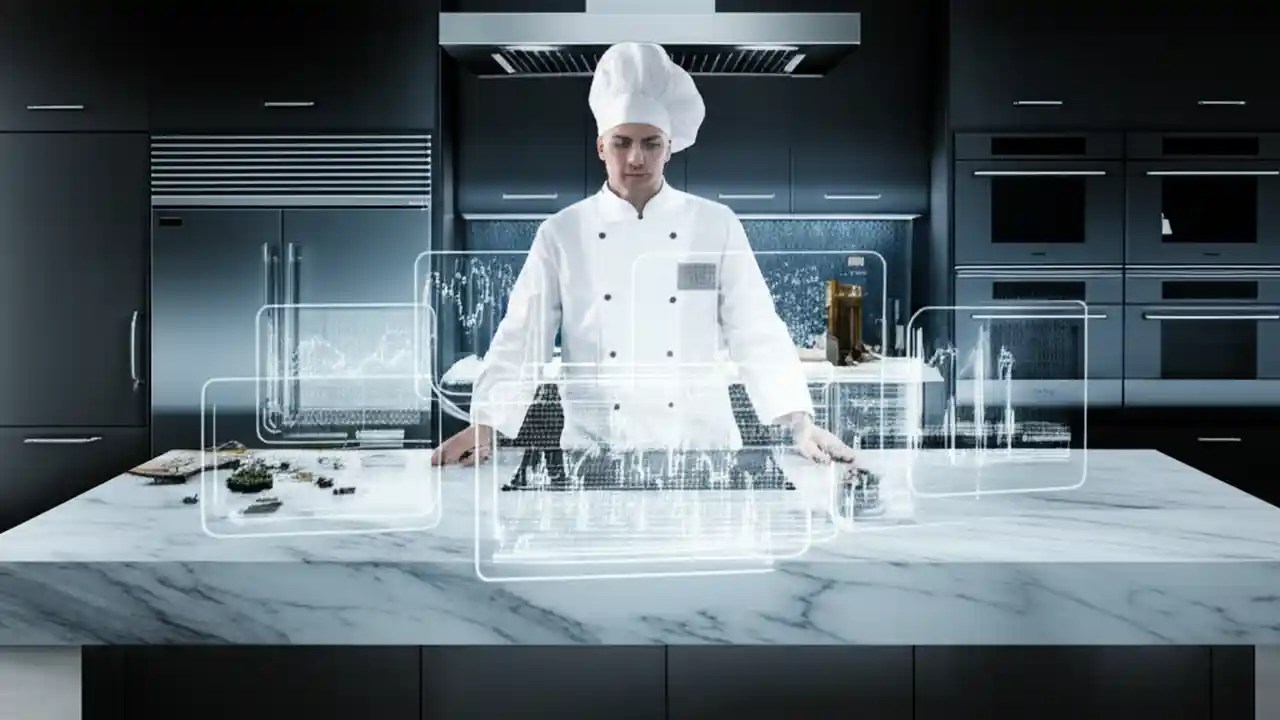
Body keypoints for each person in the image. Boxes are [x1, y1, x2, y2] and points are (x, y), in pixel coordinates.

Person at [432, 42, 855, 468]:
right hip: (595, 456)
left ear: (670, 148)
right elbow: (523, 336)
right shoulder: (562, 233)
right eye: (622, 142)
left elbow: (756, 328)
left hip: (700, 452)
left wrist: (800, 421)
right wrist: (486, 423)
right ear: (601, 147)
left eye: (651, 143)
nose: (636, 157)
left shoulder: (715, 224)